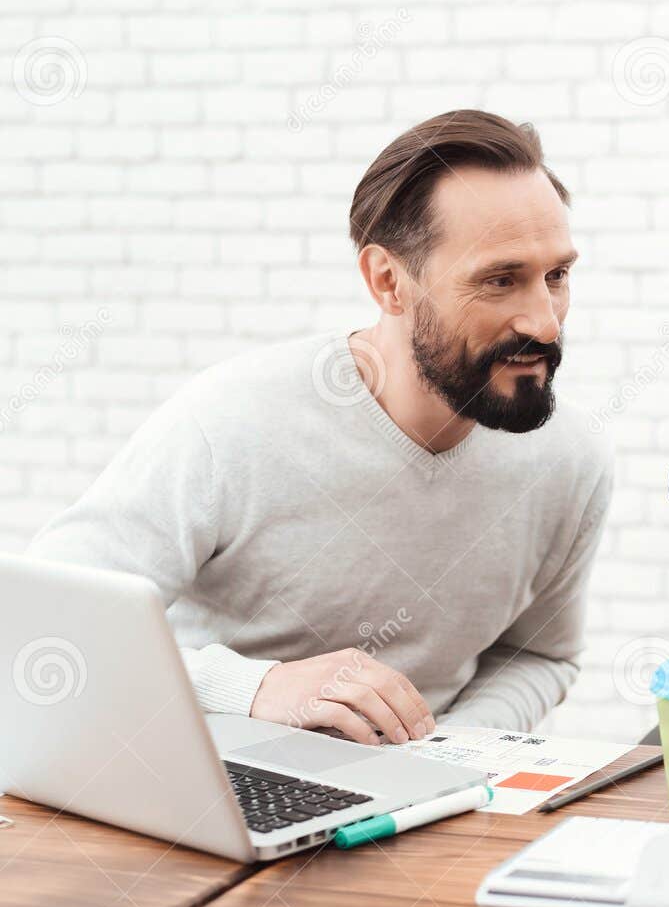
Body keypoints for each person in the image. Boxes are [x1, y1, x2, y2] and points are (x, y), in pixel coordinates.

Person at [30, 110, 611, 744]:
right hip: (215, 776)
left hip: (429, 797)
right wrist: (253, 688)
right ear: (388, 281)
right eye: (500, 280)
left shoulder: (570, 457)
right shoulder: (232, 422)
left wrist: (445, 754)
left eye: (556, 276)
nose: (547, 323)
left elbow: (539, 656)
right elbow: (47, 628)